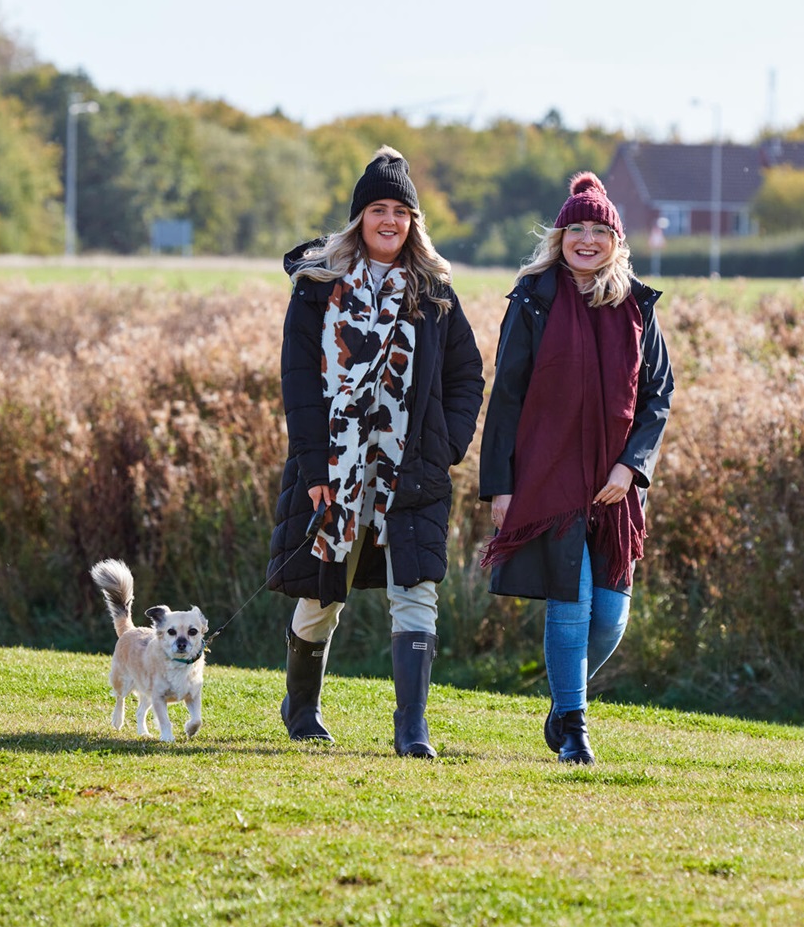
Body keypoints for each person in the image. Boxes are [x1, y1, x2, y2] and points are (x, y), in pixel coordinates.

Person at [266, 145, 484, 758]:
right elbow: (300, 385)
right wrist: (314, 471)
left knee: (415, 590)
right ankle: (301, 707)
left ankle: (411, 728)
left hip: (411, 473)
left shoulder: (435, 294)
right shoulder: (317, 289)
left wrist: (446, 446)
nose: (390, 220)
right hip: (335, 469)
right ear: (359, 217)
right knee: (321, 594)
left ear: (414, 222)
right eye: (378, 209)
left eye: (401, 211)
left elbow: (468, 375)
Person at [480, 172, 675, 765]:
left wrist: (631, 468)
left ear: (616, 239)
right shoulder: (534, 298)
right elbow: (506, 396)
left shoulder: (637, 305)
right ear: (559, 236)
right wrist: (501, 486)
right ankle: (575, 729)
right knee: (572, 602)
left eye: (598, 230)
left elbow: (657, 397)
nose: (586, 240)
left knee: (611, 616)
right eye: (576, 229)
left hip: (615, 488)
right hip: (550, 477)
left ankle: (564, 702)